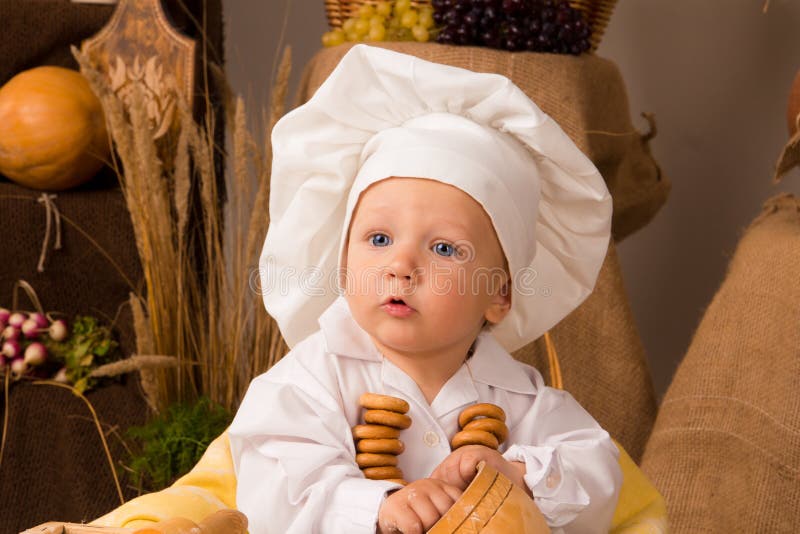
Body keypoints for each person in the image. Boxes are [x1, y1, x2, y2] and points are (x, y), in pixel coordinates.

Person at [228, 44, 621, 534]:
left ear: (499, 294)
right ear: (345, 267)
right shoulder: (308, 383)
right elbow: (276, 488)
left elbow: (600, 471)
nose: (401, 265)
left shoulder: (523, 401)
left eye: (444, 249)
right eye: (378, 239)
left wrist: (516, 475)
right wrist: (379, 505)